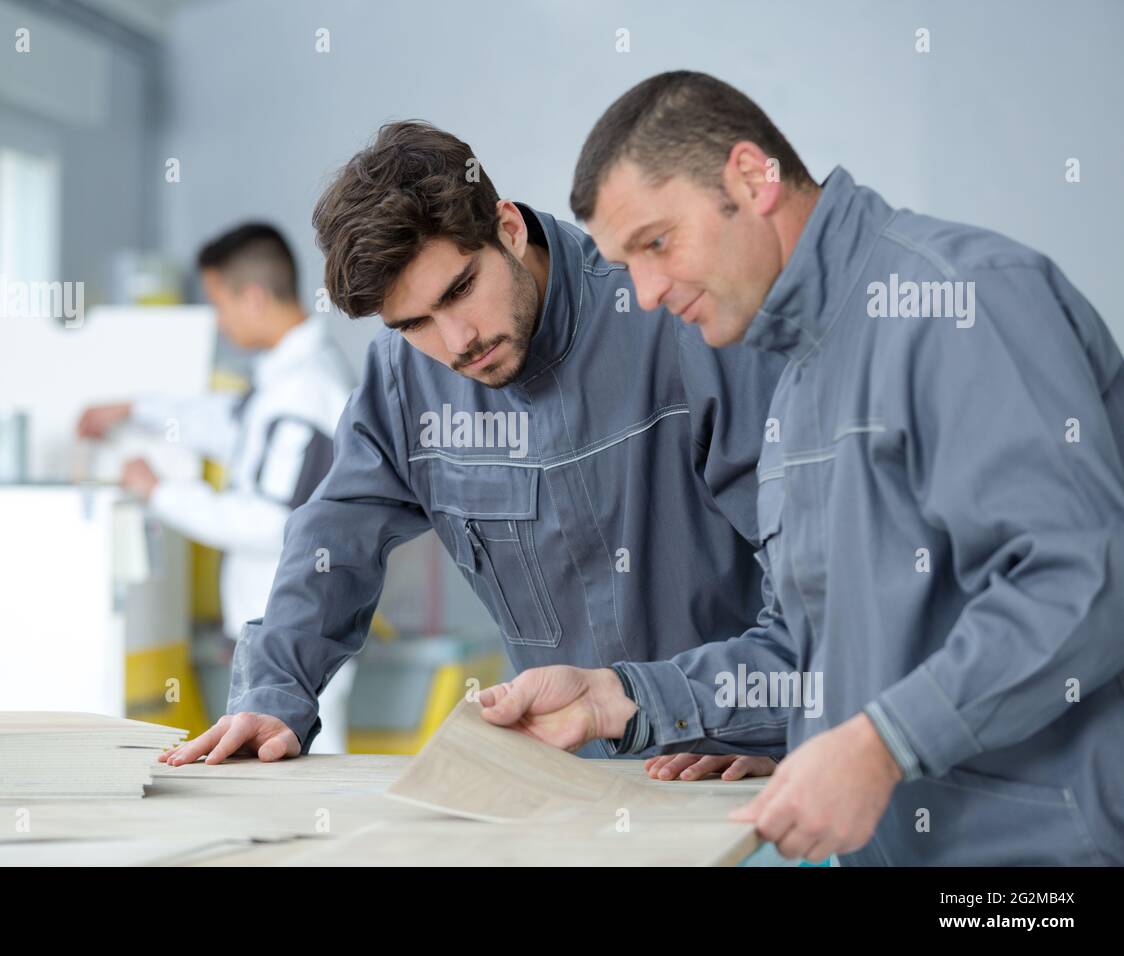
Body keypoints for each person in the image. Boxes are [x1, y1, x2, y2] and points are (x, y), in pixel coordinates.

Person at [480, 71, 1124, 866]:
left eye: (656, 242)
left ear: (752, 179)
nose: (644, 294)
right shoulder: (798, 381)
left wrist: (882, 745)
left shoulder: (955, 301)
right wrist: (620, 698)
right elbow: (805, 657)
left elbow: (1082, 581)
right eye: (625, 263)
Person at [161, 121, 786, 772]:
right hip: (568, 789)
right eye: (413, 322)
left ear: (509, 229)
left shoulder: (680, 322)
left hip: (732, 772)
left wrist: (762, 727)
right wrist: (273, 695)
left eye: (459, 289)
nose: (455, 340)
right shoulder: (406, 379)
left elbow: (818, 586)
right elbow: (331, 540)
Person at [77, 223, 358, 752]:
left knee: (302, 778)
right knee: (278, 777)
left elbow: (274, 521)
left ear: (252, 298)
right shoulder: (284, 382)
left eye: (219, 303)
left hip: (293, 634)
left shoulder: (305, 391)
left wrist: (158, 492)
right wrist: (137, 409)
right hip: (280, 631)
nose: (219, 321)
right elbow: (232, 427)